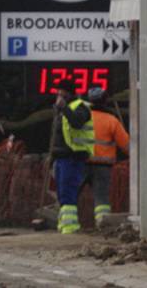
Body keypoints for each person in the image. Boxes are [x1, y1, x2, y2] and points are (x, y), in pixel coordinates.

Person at [51, 79, 94, 234]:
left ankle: (70, 226)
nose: (59, 96)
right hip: (61, 157)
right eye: (58, 93)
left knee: (68, 191)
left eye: (62, 93)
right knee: (62, 192)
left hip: (73, 156)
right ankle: (64, 224)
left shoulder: (81, 107)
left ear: (69, 93)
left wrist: (65, 109)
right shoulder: (60, 111)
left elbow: (77, 123)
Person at [86, 88, 129, 227]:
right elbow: (126, 145)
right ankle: (102, 224)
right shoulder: (111, 121)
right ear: (105, 101)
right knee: (102, 198)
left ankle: (68, 225)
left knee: (71, 195)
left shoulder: (82, 118)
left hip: (81, 163)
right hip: (103, 166)